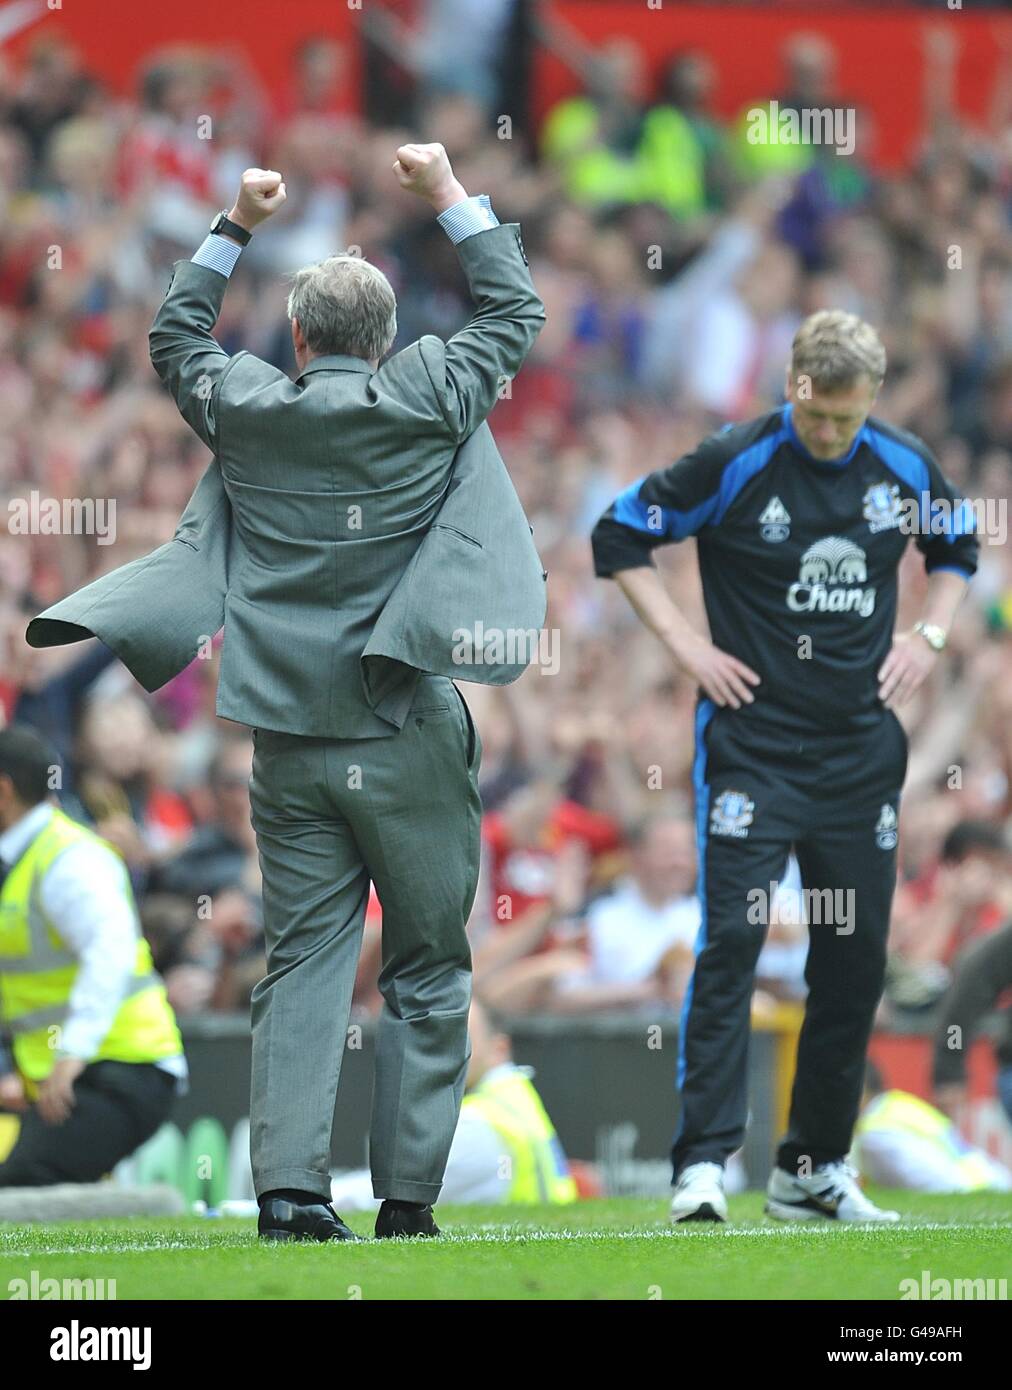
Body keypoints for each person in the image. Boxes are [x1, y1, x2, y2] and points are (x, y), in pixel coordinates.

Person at [30, 144, 546, 1240]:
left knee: (302, 961)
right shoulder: (429, 394)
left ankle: (290, 1196)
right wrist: (449, 192)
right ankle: (407, 1203)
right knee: (425, 964)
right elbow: (513, 308)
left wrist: (234, 221)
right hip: (405, 722)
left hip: (287, 739)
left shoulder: (251, 406)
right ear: (388, 339)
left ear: (299, 340)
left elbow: (174, 338)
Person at [592, 308, 979, 1223]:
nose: (832, 435)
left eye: (848, 418)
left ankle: (812, 1167)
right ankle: (702, 1163)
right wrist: (687, 644)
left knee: (853, 961)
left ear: (871, 400)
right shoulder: (735, 459)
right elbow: (619, 535)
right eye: (817, 416)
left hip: (858, 753)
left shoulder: (904, 464)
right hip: (752, 749)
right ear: (791, 387)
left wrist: (930, 631)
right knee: (731, 940)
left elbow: (959, 548)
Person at [0, 726, 184, 1187]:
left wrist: (72, 1051)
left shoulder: (70, 860)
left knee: (24, 1178)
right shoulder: (26, 858)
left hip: (121, 1070)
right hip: (58, 1077)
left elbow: (111, 952)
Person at [329, 1001, 577, 1209]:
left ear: (499, 1049)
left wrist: (309, 1197)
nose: (445, 1052)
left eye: (460, 1037)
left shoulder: (480, 1126)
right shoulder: (513, 1097)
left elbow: (388, 1194)